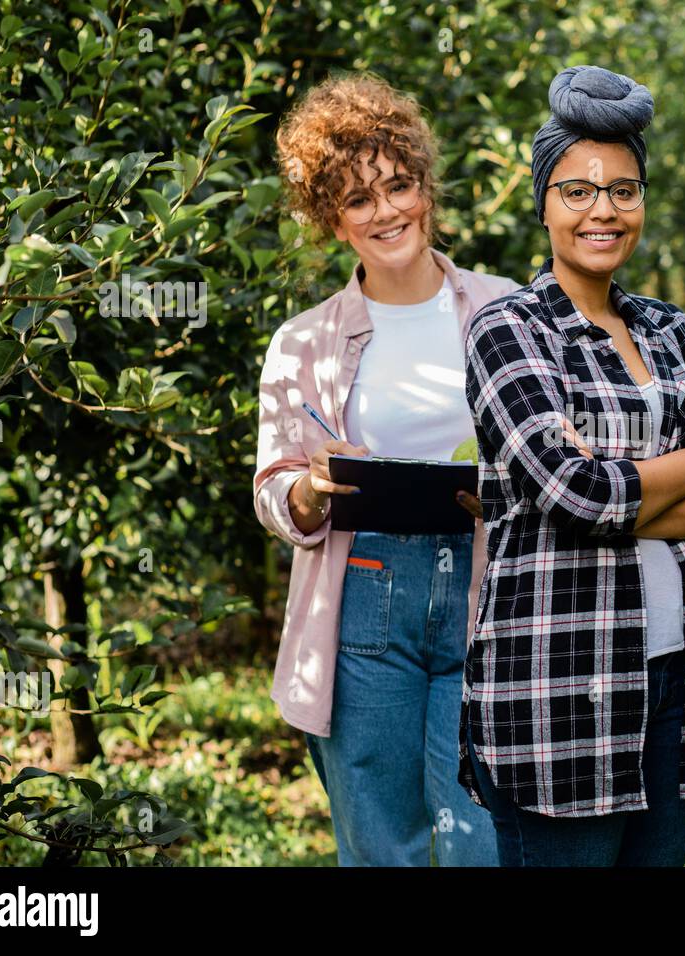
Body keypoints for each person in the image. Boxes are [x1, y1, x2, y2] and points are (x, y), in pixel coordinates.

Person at [458, 65, 685, 867]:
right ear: (545, 204)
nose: (604, 210)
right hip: (560, 684)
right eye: (578, 191)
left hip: (683, 673)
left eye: (624, 190)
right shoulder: (509, 331)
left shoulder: (673, 330)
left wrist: (639, 486)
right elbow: (575, 493)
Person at [253, 72, 517, 866]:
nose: (386, 212)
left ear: (425, 187)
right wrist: (309, 488)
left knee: (481, 841)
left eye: (398, 186)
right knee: (382, 848)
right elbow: (275, 488)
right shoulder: (303, 342)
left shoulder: (505, 310)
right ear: (333, 221)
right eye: (359, 200)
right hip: (364, 593)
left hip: (484, 589)